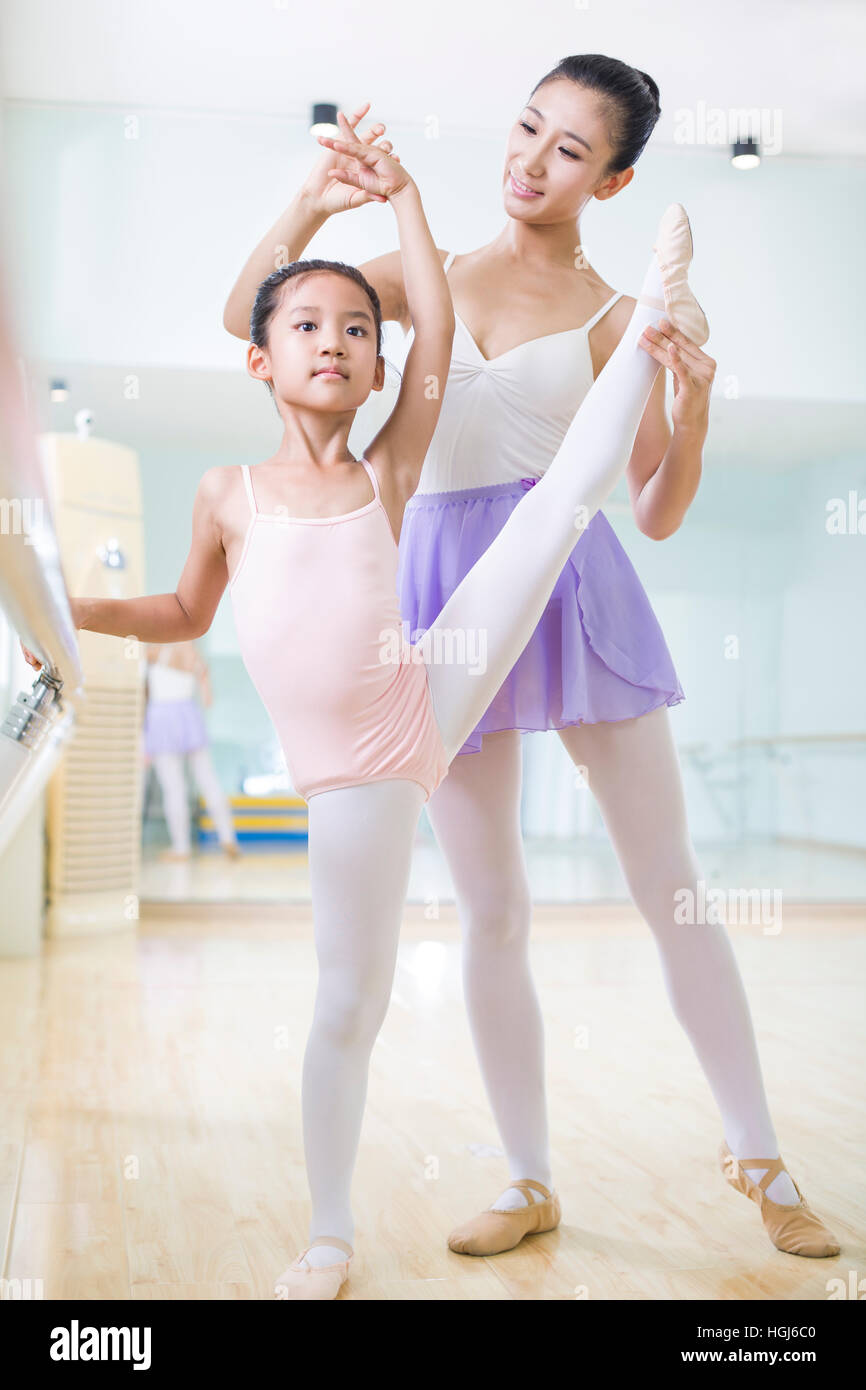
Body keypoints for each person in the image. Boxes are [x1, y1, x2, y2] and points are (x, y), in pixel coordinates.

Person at [21, 119, 829, 1302]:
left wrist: (401, 197)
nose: (338, 342)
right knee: (350, 991)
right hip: (354, 762)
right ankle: (333, 1233)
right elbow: (184, 609)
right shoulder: (228, 492)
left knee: (558, 506)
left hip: (423, 691)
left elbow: (437, 338)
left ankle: (655, 319)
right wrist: (71, 612)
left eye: (358, 329)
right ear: (263, 360)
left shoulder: (385, 465)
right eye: (309, 329)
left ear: (611, 178)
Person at [222, 63, 841, 1272]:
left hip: (569, 577)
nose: (530, 160)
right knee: (490, 907)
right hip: (443, 594)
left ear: (610, 181)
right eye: (525, 128)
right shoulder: (431, 276)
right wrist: (314, 204)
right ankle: (528, 1176)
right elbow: (255, 307)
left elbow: (654, 507)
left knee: (670, 888)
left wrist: (695, 406)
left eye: (567, 151)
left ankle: (760, 1158)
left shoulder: (619, 316)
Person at [142, 640, 240, 861]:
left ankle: (181, 847)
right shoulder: (192, 652)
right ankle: (228, 837)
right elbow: (208, 699)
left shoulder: (156, 650)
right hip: (188, 713)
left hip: (162, 717)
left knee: (173, 786)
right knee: (208, 779)